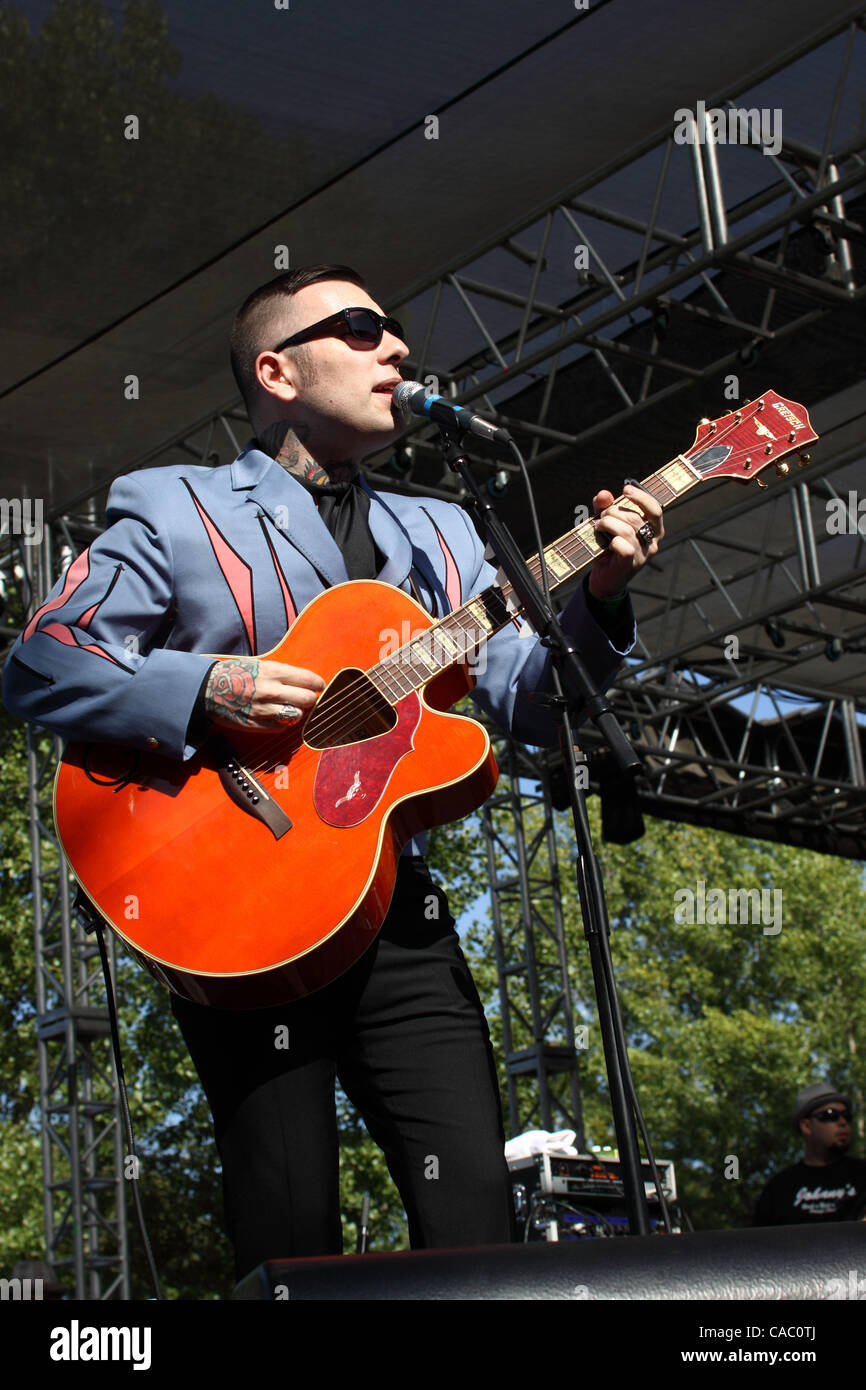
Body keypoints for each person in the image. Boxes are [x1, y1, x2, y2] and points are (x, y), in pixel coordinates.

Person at [2, 265, 664, 1281]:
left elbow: (531, 705)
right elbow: (42, 660)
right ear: (275, 369)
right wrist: (202, 684)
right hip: (233, 910)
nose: (396, 348)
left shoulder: (445, 529)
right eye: (361, 329)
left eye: (396, 332)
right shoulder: (175, 507)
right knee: (288, 1224)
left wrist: (603, 590)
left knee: (477, 1222)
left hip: (393, 910)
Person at [754, 1081, 866, 1225]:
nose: (843, 1122)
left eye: (846, 1115)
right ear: (806, 1126)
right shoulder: (779, 1189)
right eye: (831, 1115)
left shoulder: (862, 1174)